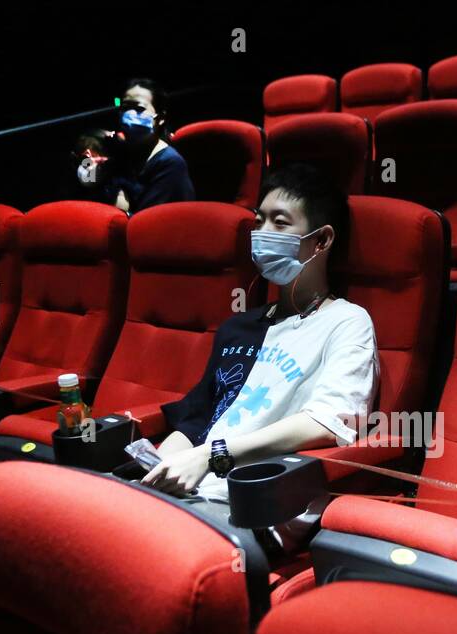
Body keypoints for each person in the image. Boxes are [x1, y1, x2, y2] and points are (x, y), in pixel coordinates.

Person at [140, 163, 378, 543]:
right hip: (190, 490)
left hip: (256, 506)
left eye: (280, 223)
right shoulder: (240, 326)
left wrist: (210, 456)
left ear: (321, 240)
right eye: (259, 221)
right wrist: (158, 469)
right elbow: (197, 418)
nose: (262, 234)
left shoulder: (347, 321)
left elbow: (329, 422)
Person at [113, 78, 194, 214]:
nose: (130, 114)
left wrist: (120, 206)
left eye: (139, 108)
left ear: (160, 118)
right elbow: (88, 183)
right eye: (125, 107)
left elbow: (148, 223)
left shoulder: (170, 163)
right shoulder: (119, 151)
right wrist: (85, 166)